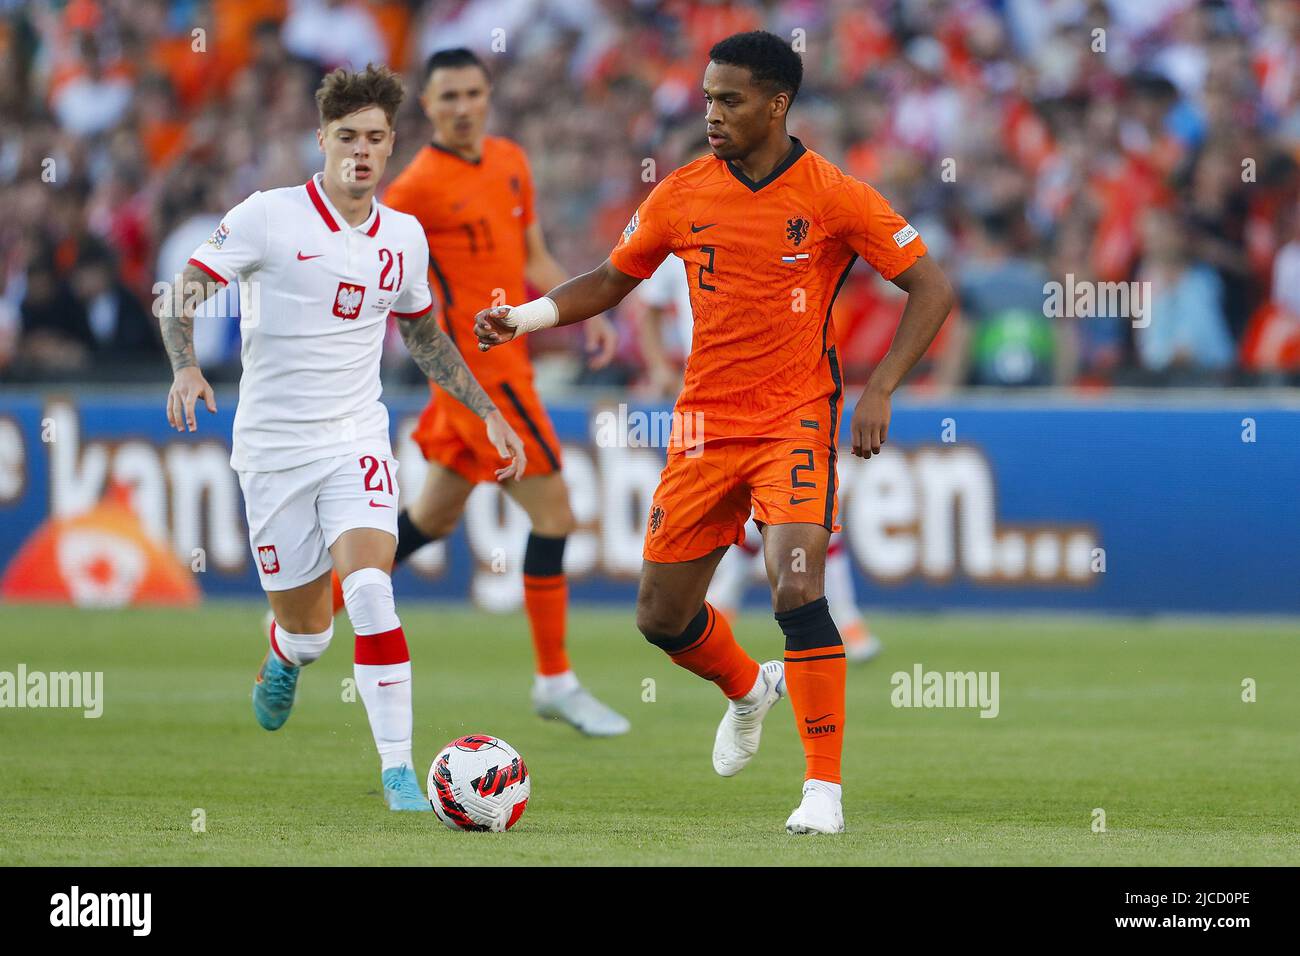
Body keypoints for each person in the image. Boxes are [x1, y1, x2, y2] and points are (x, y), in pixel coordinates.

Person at [476, 31, 953, 833]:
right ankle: (746, 688)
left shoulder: (834, 194)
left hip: (796, 416)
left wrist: (882, 389)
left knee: (797, 581)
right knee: (660, 617)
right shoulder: (683, 192)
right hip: (702, 424)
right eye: (706, 97)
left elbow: (931, 286)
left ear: (777, 103)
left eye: (729, 99)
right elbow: (609, 279)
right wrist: (522, 317)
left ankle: (822, 790)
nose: (711, 113)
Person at [159, 64, 526, 811]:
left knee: (370, 590)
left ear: (392, 146)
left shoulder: (404, 236)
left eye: (377, 139)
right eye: (349, 137)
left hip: (356, 437)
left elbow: (422, 334)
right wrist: (187, 367)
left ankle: (399, 771)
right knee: (311, 632)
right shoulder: (270, 215)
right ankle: (284, 653)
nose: (362, 151)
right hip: (272, 449)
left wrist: (486, 408)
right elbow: (183, 291)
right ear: (322, 138)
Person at [326, 48, 629, 737]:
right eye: (447, 96)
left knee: (428, 523)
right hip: (477, 376)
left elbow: (534, 258)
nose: (461, 107)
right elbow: (362, 246)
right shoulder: (416, 188)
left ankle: (309, 608)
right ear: (426, 108)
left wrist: (586, 316)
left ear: (488, 95)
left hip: (505, 370)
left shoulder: (511, 160)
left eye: (472, 92)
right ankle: (554, 681)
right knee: (555, 518)